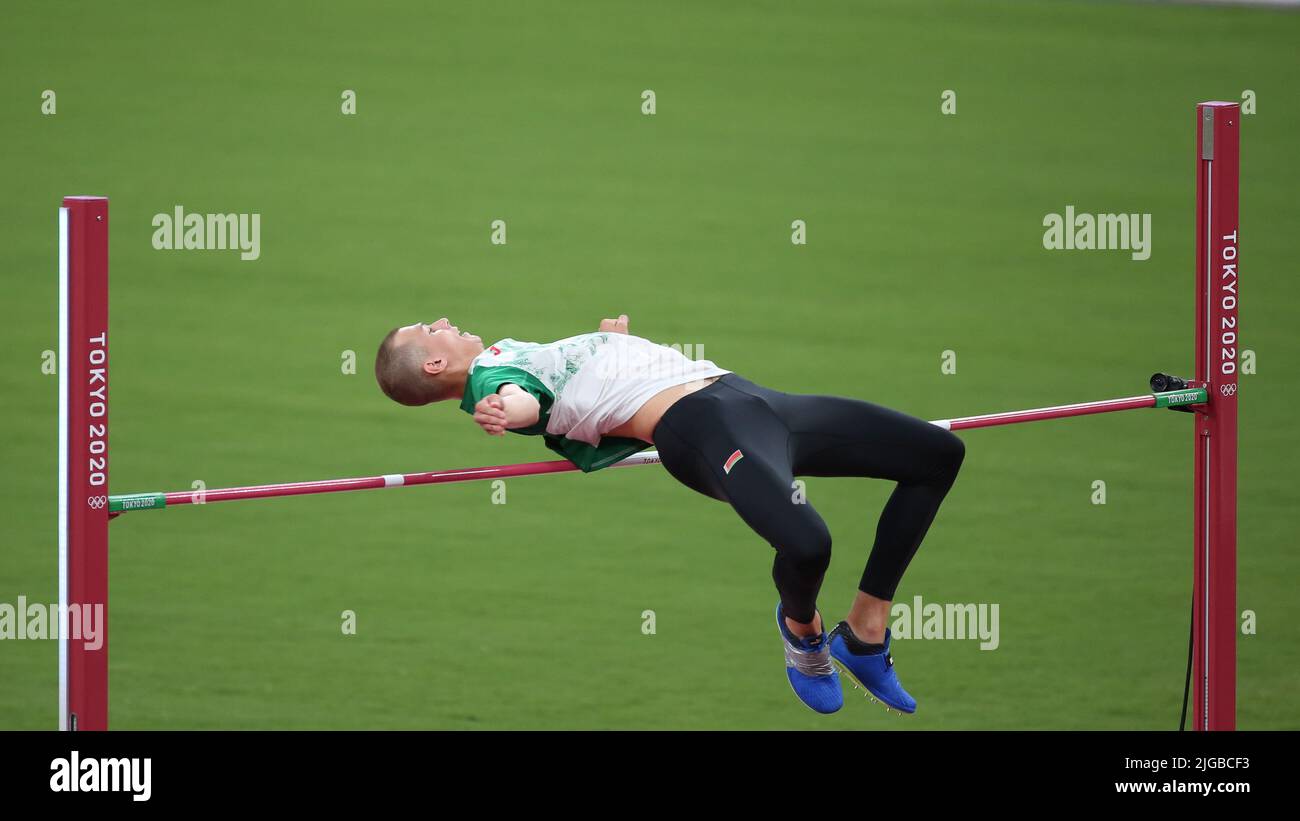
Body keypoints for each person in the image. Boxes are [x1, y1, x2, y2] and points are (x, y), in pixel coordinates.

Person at [374, 315, 964, 715]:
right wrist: (508, 410)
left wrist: (613, 344)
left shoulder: (511, 352)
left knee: (937, 455)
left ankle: (865, 632)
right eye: (432, 330)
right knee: (808, 542)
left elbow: (568, 382)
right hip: (700, 429)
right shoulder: (490, 382)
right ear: (432, 367)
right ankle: (803, 635)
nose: (444, 322)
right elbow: (526, 404)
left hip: (752, 401)